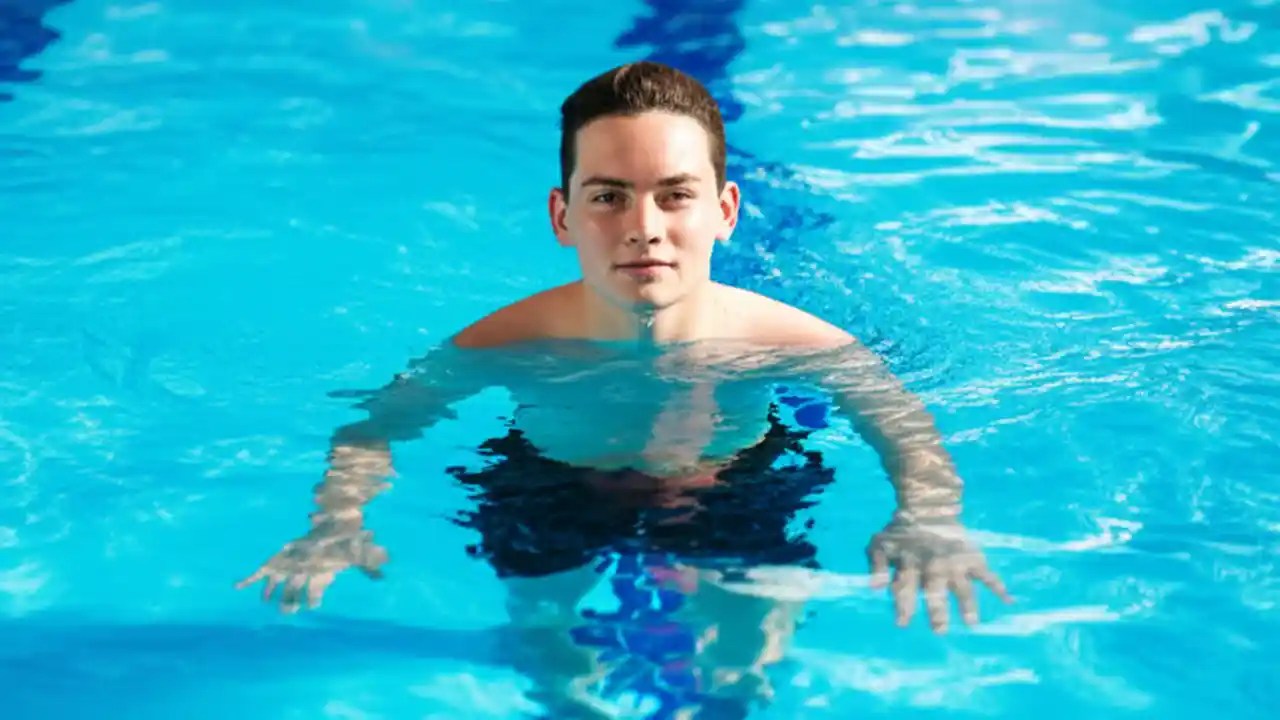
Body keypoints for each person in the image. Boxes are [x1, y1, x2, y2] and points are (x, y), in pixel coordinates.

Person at [237, 61, 1009, 717]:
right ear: (562, 215)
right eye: (608, 196)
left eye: (675, 194)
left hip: (733, 482)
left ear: (725, 212)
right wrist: (335, 520)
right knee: (550, 648)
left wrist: (929, 518)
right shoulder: (506, 343)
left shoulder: (794, 342)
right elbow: (379, 425)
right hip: (549, 483)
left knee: (747, 662)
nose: (644, 226)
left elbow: (902, 423)